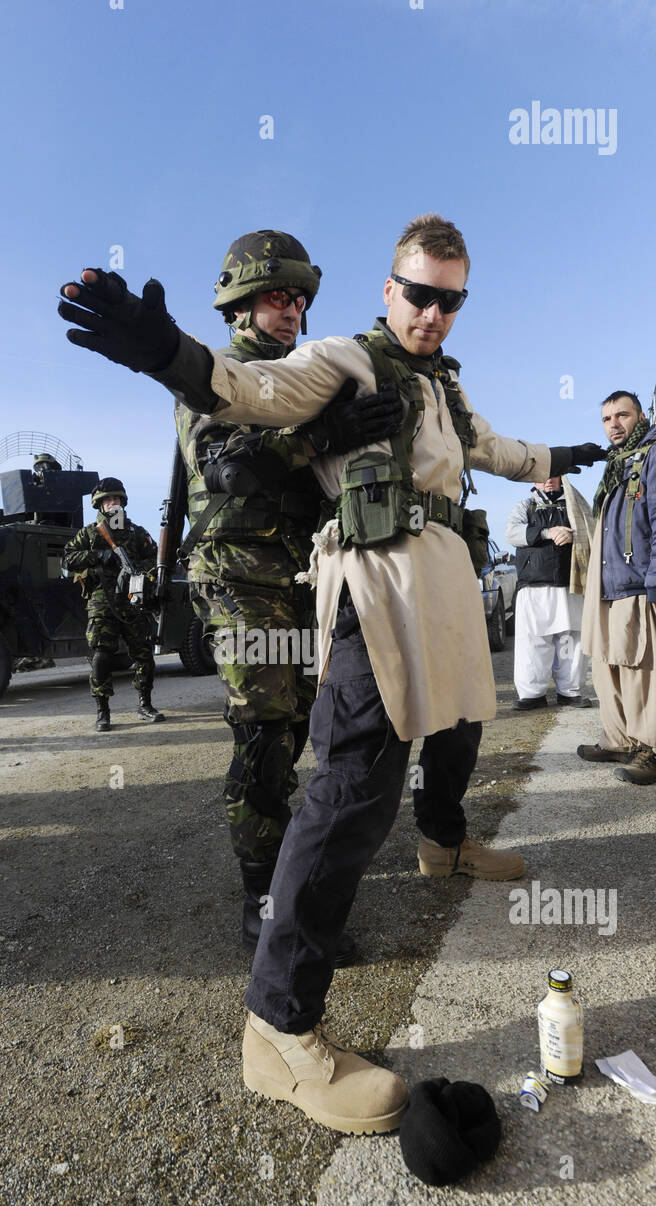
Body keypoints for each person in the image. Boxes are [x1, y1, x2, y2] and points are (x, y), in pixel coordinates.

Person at [59, 213, 605, 1132]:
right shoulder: (342, 359)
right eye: (420, 294)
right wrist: (167, 354)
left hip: (442, 583)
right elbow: (248, 389)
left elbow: (492, 449)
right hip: (373, 586)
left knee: (462, 728)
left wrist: (565, 457)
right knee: (351, 789)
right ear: (390, 290)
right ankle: (277, 1026)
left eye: (451, 299)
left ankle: (443, 842)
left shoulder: (440, 384)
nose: (433, 312)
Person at [177, 230, 400, 959]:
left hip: (305, 576)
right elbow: (229, 470)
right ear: (240, 305)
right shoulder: (221, 376)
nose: (292, 310)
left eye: (300, 299)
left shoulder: (306, 376)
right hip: (238, 573)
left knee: (306, 728)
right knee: (267, 735)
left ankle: (293, 880)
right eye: (278, 297)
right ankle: (264, 904)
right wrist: (316, 435)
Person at [578, 391, 656, 784]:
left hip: (644, 583)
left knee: (647, 669)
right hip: (612, 584)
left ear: (641, 416)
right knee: (608, 665)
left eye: (622, 415)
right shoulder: (619, 463)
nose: (614, 424)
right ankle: (620, 738)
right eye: (606, 418)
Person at [63, 479, 166, 730]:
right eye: (108, 501)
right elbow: (67, 560)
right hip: (102, 600)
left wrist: (137, 572)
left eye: (117, 500)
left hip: (133, 599)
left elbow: (156, 560)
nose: (113, 504)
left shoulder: (136, 532)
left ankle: (145, 704)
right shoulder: (89, 533)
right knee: (101, 656)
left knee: (144, 654)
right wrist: (99, 555)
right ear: (99, 504)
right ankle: (103, 712)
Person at [505, 476, 594, 709]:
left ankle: (570, 691)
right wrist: (547, 532)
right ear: (534, 481)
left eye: (554, 475)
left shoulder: (577, 507)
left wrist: (574, 535)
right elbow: (512, 533)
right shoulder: (525, 506)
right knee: (533, 641)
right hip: (533, 587)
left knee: (571, 640)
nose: (548, 481)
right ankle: (532, 694)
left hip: (570, 584)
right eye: (542, 476)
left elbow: (592, 531)